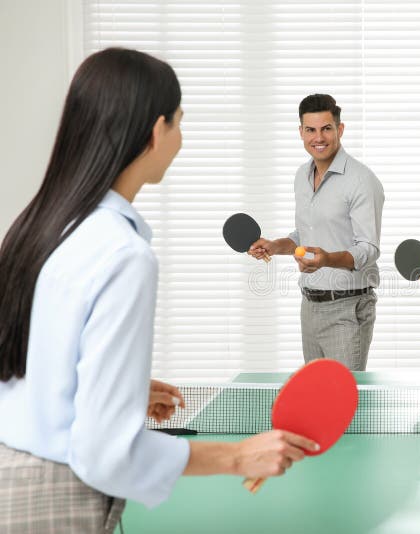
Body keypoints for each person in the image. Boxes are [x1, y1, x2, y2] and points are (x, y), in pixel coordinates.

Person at [0, 48, 317, 533]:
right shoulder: (123, 254)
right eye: (179, 123)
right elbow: (106, 454)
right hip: (56, 496)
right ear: (155, 131)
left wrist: (114, 389)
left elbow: (25, 362)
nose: (180, 139)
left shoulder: (43, 226)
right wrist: (237, 456)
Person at [248, 94, 384, 372]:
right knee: (317, 394)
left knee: (343, 395)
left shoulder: (361, 180)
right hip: (309, 306)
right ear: (301, 132)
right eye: (310, 129)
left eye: (326, 128)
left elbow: (368, 248)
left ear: (340, 129)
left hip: (347, 308)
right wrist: (274, 246)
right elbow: (305, 234)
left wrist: (327, 259)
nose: (318, 138)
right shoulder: (302, 176)